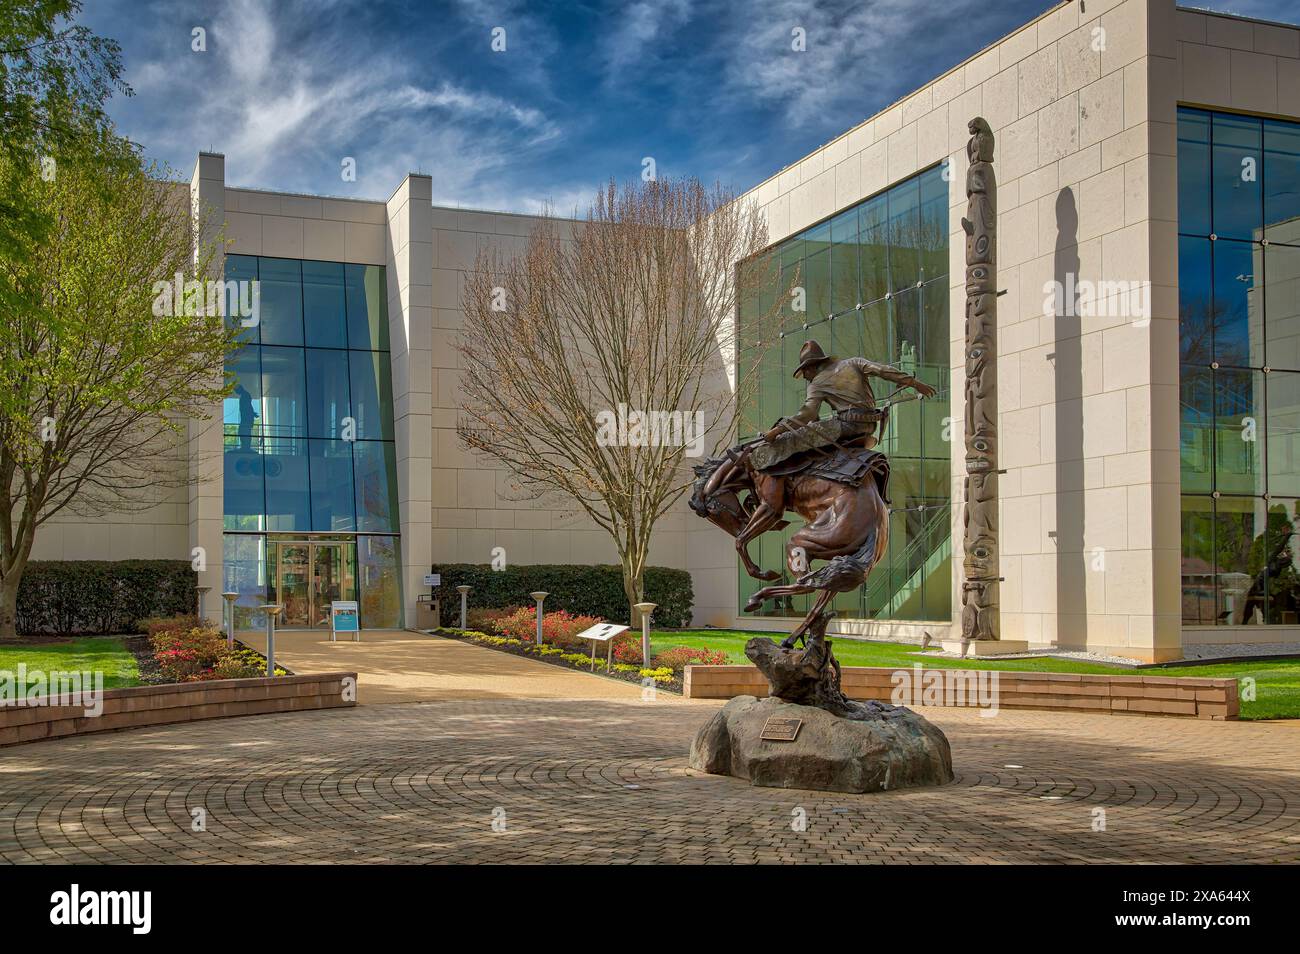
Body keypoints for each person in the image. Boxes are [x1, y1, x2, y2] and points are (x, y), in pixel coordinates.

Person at [748, 339, 935, 472]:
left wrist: (777, 431)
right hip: (871, 426)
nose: (804, 377)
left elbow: (807, 414)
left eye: (804, 372)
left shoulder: (817, 383)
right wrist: (914, 383)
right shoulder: (854, 363)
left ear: (811, 367)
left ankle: (752, 462)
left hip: (847, 427)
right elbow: (882, 370)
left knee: (792, 438)